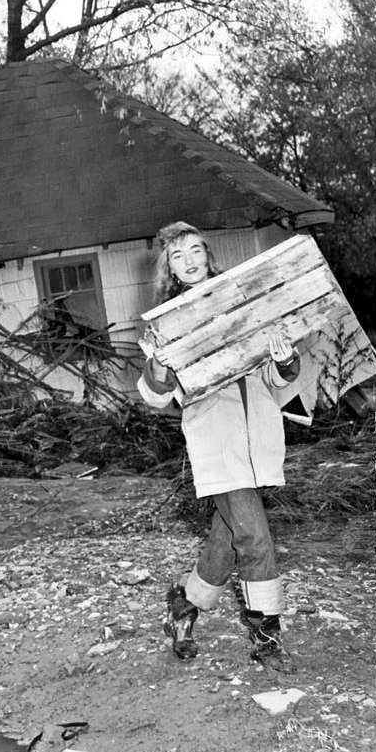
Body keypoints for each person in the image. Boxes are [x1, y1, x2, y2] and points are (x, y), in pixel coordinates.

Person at [137, 221, 301, 672]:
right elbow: (153, 396)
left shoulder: (242, 303)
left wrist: (283, 356)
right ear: (167, 267)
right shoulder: (165, 323)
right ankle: (267, 640)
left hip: (259, 441)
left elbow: (273, 379)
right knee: (254, 537)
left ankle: (182, 609)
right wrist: (161, 366)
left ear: (208, 254)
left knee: (226, 539)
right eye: (177, 255)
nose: (189, 261)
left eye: (195, 251)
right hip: (217, 444)